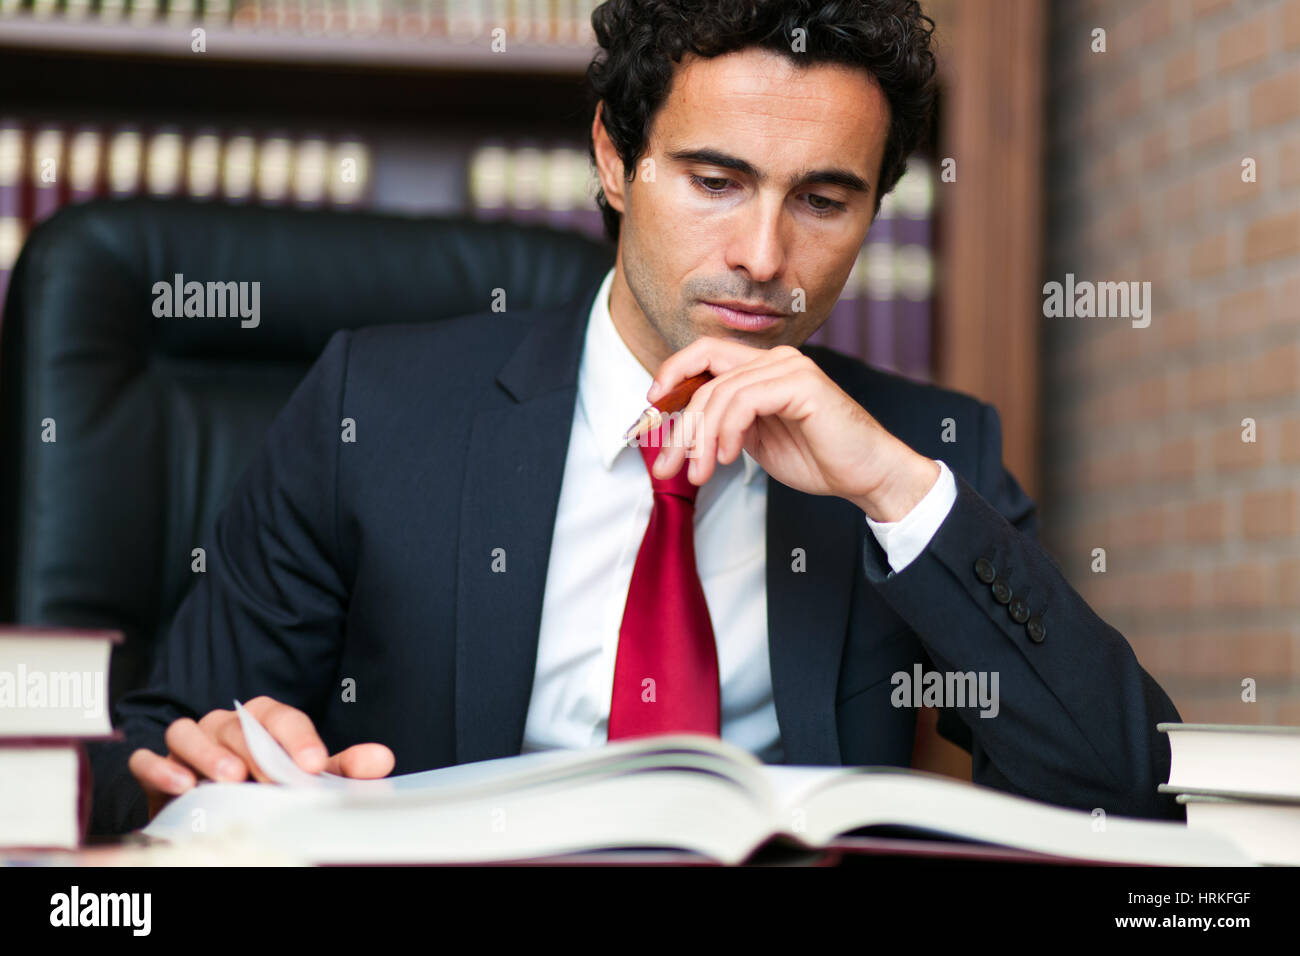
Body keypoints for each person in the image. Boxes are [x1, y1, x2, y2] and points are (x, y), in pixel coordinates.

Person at [90, 0, 1183, 834]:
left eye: (821, 199)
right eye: (716, 180)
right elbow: (160, 734)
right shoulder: (366, 411)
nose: (763, 256)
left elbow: (1129, 792)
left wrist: (896, 494)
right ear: (615, 158)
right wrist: (234, 756)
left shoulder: (924, 451)